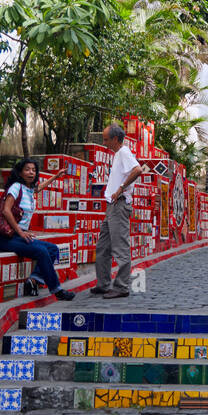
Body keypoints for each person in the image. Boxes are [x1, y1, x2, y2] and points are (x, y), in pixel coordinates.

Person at [0, 158, 76, 301]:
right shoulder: (16, 187)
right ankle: (57, 290)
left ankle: (33, 280)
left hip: (19, 236)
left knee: (53, 249)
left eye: (33, 170)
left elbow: (39, 188)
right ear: (20, 172)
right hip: (6, 237)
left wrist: (56, 176)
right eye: (27, 169)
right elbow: (6, 211)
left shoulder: (29, 189)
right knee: (41, 251)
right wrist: (20, 232)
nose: (31, 172)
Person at [90, 124, 142, 299]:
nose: (104, 142)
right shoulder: (118, 154)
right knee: (103, 247)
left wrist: (120, 188)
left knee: (120, 247)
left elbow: (137, 170)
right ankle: (104, 283)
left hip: (119, 205)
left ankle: (121, 286)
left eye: (106, 139)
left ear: (115, 139)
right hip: (112, 205)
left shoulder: (124, 152)